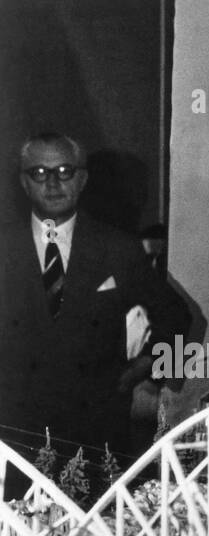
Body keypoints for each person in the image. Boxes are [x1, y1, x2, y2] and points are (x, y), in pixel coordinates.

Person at [0, 132, 191, 498]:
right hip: (14, 431)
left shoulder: (117, 248)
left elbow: (178, 317)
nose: (53, 182)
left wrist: (148, 370)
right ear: (24, 182)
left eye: (64, 171)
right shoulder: (4, 249)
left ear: (83, 179)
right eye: (39, 172)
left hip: (95, 431)